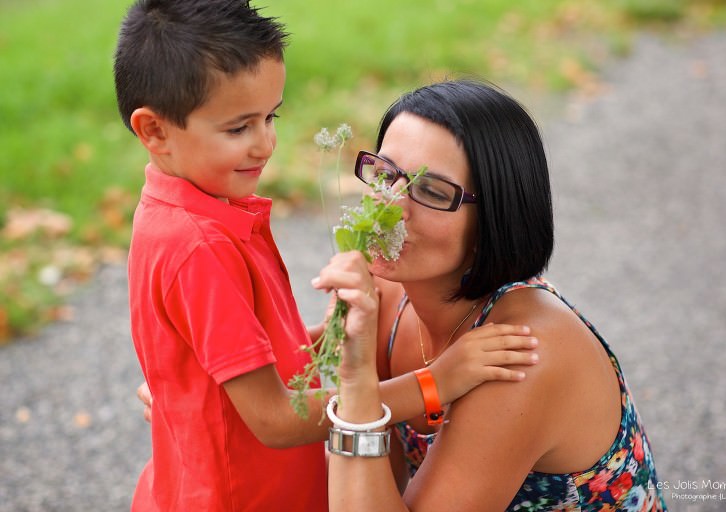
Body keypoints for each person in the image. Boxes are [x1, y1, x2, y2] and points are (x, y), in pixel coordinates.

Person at [115, 1, 538, 510]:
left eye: (271, 117)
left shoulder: (188, 212)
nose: (265, 143)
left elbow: (237, 354)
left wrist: (323, 340)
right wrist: (438, 381)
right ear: (154, 131)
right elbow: (274, 419)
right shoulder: (200, 245)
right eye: (239, 128)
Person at [313, 79, 668, 511]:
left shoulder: (521, 354)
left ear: (495, 219)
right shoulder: (385, 297)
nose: (390, 207)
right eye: (385, 174)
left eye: (431, 192)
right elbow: (369, 488)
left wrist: (355, 385)